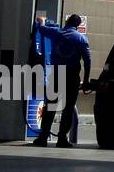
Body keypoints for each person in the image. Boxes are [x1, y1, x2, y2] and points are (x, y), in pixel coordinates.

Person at [33, 15, 92, 148]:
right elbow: (87, 61)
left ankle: (43, 137)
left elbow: (41, 30)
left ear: (66, 21)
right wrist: (86, 79)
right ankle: (62, 139)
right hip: (72, 77)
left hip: (56, 75)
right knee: (68, 108)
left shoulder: (56, 32)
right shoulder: (81, 38)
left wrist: (41, 21)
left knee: (50, 106)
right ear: (77, 25)